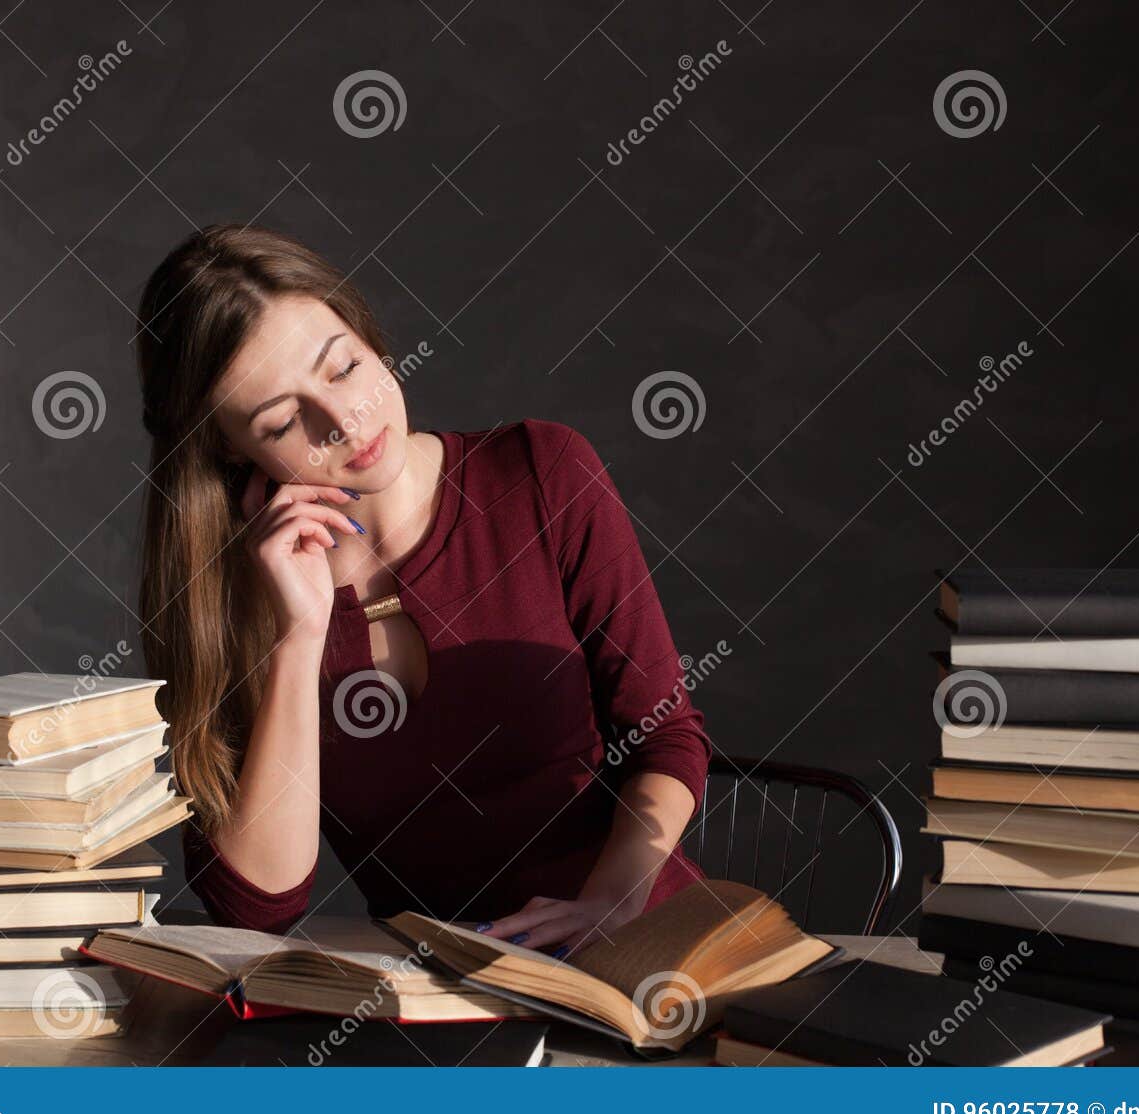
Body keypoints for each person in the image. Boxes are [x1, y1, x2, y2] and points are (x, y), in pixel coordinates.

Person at [135, 225, 712, 956]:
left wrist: (608, 901)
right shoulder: (245, 597)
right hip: (452, 999)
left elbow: (665, 734)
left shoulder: (541, 472)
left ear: (367, 335)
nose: (345, 422)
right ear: (229, 448)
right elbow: (253, 908)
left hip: (645, 946)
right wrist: (299, 633)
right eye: (283, 420)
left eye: (343, 367)